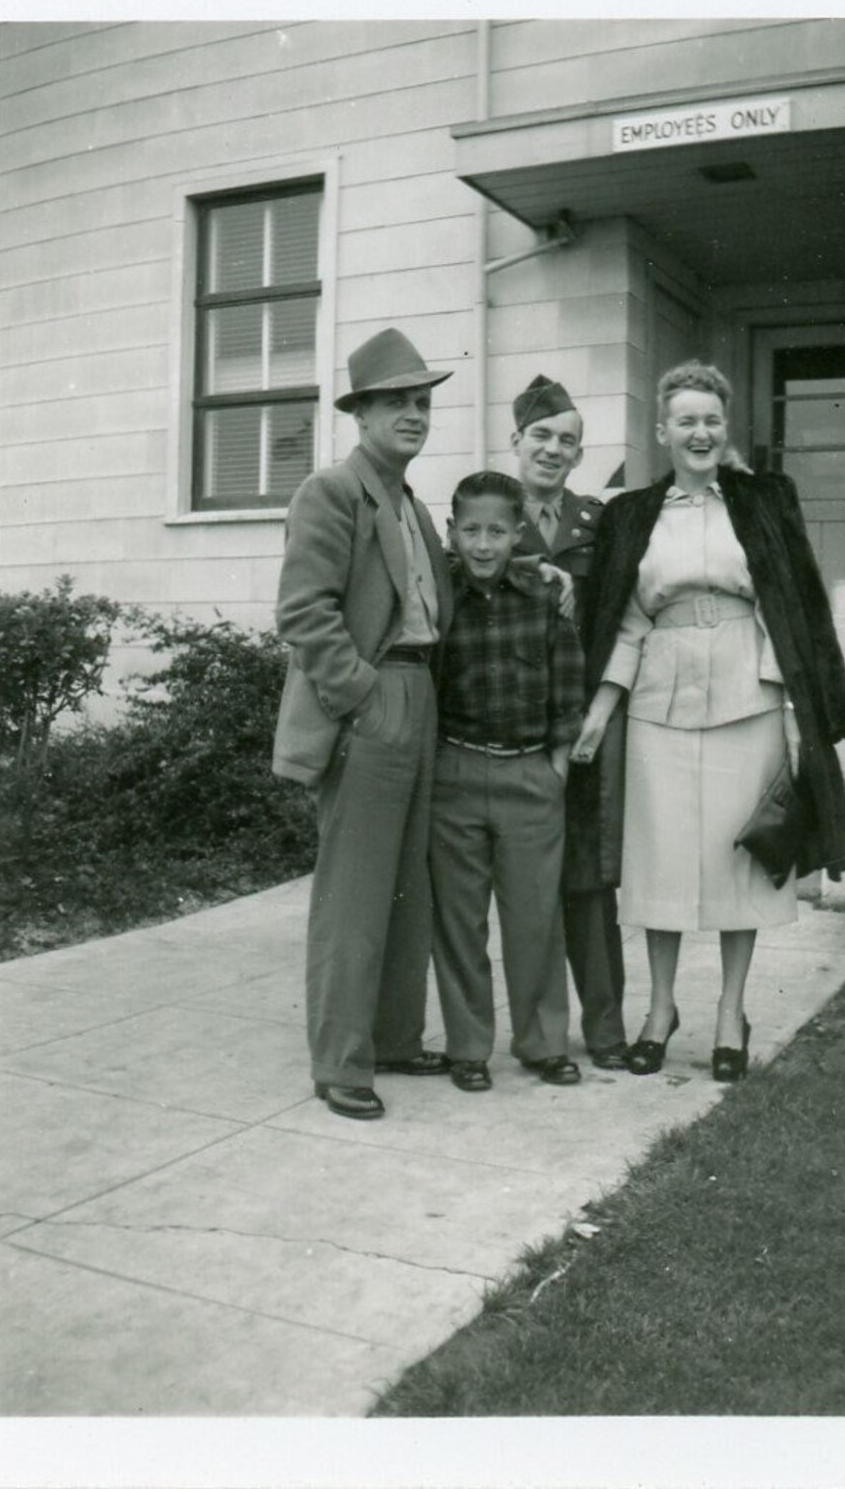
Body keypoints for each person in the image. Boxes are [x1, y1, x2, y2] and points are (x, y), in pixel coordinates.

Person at [570, 360, 845, 1081]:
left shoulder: (764, 501)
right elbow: (627, 622)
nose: (699, 432)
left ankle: (731, 1015)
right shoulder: (632, 514)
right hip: (657, 705)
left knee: (743, 867)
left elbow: (787, 610)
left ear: (724, 427)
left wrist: (796, 711)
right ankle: (660, 1011)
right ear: (662, 430)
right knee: (660, 865)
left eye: (711, 420)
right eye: (686, 420)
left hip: (749, 696)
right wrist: (600, 710)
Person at [272, 327, 455, 1121]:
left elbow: (431, 602)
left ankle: (393, 1039)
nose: (414, 414)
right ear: (362, 414)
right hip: (374, 701)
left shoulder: (412, 504)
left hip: (421, 696)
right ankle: (342, 1063)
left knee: (408, 885)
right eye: (397, 403)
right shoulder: (333, 491)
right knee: (356, 892)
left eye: (421, 402)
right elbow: (303, 613)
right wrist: (362, 697)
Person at [429, 471, 585, 1092]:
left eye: (497, 531)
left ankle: (542, 1042)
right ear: (452, 532)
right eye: (471, 530)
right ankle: (468, 1046)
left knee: (535, 917)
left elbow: (568, 681)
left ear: (519, 534)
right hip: (456, 772)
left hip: (529, 772)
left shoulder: (545, 597)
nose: (484, 544)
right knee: (459, 919)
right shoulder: (437, 596)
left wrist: (558, 762)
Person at [510, 375, 629, 1069]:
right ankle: (540, 1034)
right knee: (529, 888)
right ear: (516, 441)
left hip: (581, 724)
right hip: (512, 727)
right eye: (542, 437)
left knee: (587, 880)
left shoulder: (596, 524)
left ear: (580, 455)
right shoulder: (488, 512)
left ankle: (606, 1030)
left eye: (567, 441)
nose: (553, 451)